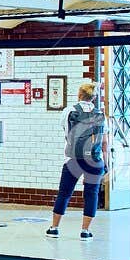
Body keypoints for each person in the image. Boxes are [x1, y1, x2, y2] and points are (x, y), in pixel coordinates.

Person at [47, 82, 105, 240]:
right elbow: (102, 140)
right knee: (91, 194)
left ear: (79, 94)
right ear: (93, 98)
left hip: (73, 158)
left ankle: (54, 228)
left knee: (64, 193)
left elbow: (65, 131)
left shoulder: (69, 111)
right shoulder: (99, 113)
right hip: (94, 159)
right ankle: (85, 231)